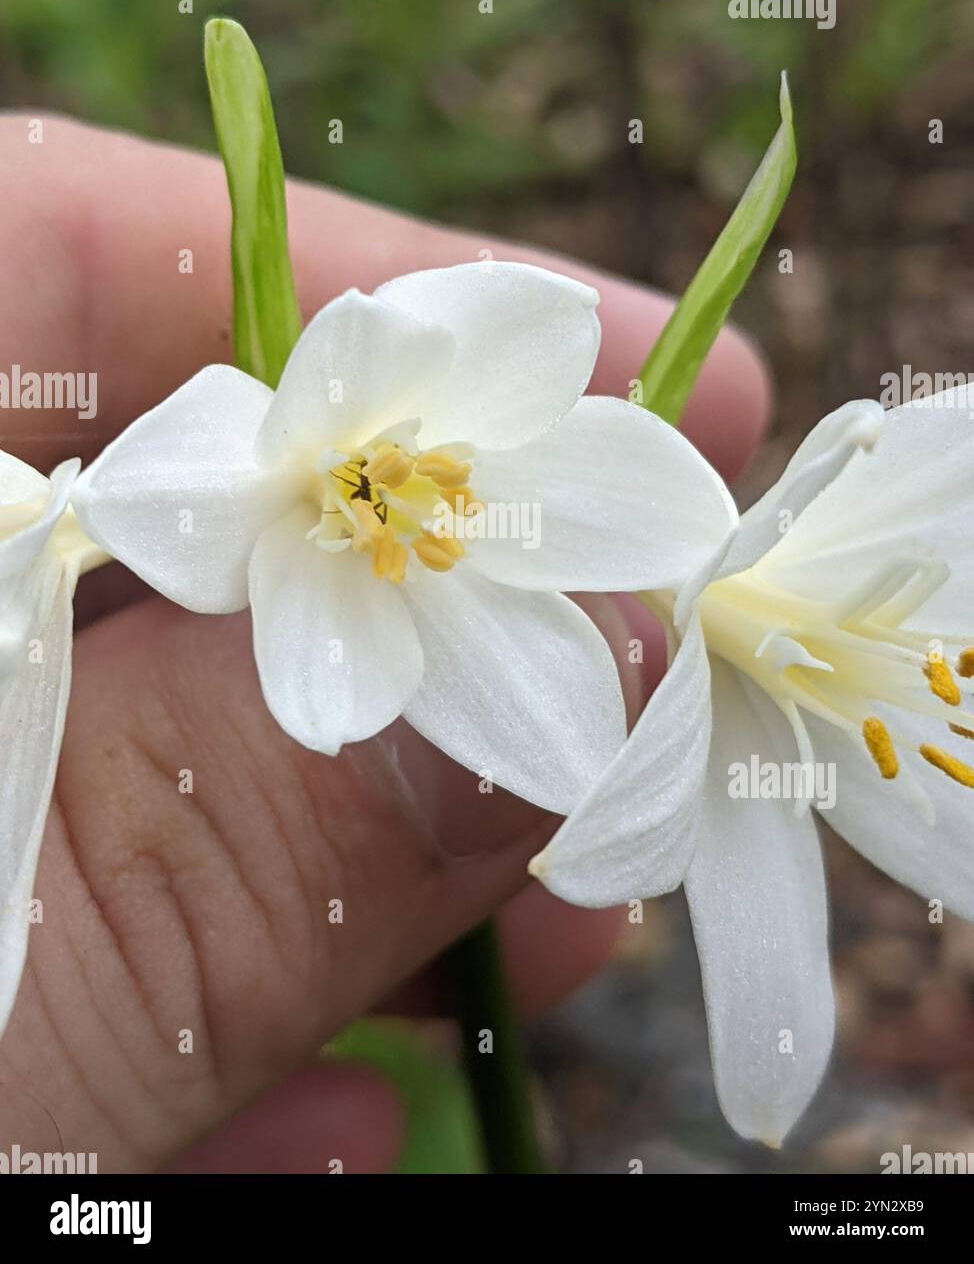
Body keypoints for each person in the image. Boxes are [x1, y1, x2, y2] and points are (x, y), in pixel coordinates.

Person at [0, 113, 770, 1173]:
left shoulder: (527, 482)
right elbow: (159, 500)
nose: (390, 500)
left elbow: (622, 591)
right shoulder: (194, 478)